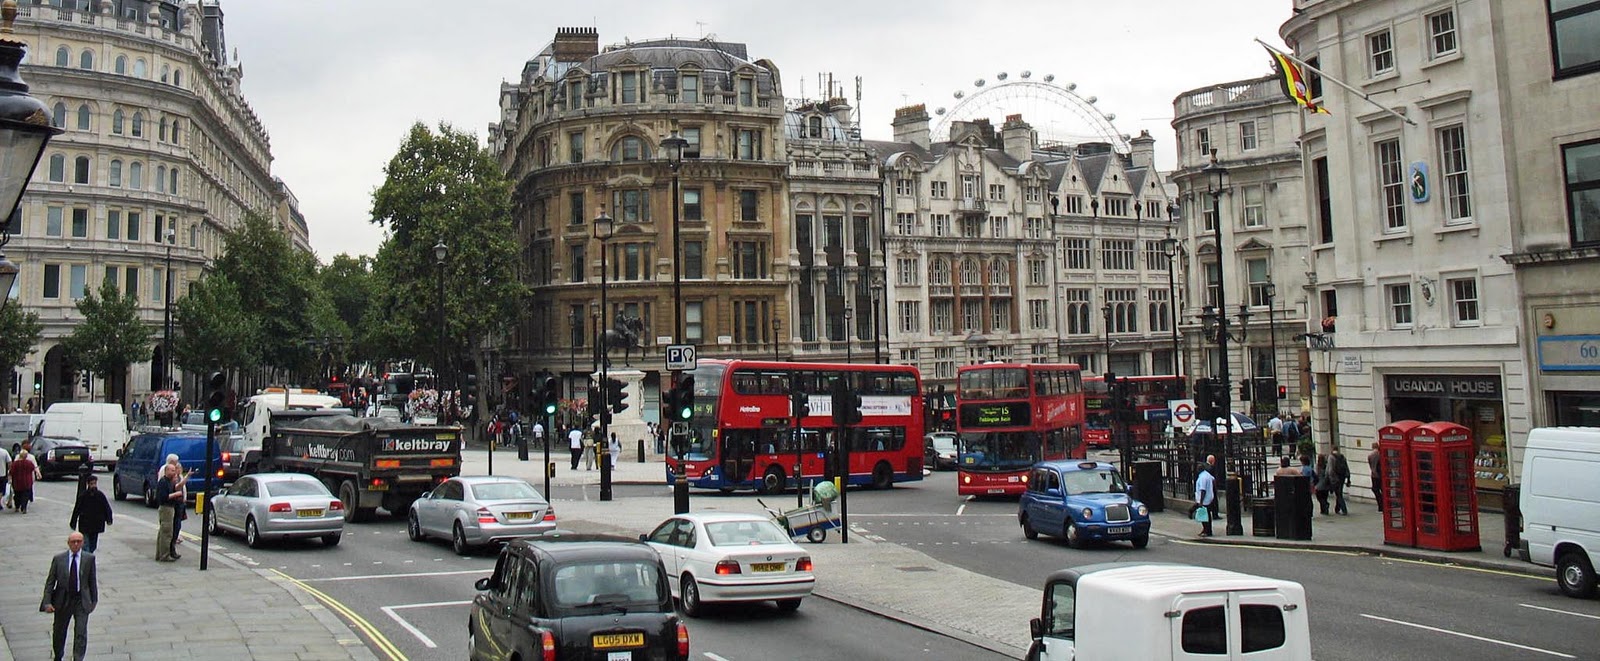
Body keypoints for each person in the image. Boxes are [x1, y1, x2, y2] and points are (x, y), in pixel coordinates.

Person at [41, 532, 99, 661]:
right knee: (59, 632)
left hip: (81, 600)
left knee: (81, 632)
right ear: (68, 543)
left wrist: (94, 600)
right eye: (73, 542)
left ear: (83, 543)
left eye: (79, 541)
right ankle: (58, 655)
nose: (76, 544)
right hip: (63, 599)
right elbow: (50, 582)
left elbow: (92, 580)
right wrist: (47, 602)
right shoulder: (59, 559)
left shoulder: (89, 559)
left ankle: (78, 657)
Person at [69, 475, 113, 553]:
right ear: (88, 484)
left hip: (96, 524)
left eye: (95, 483)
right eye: (92, 484)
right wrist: (73, 522)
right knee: (86, 545)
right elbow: (77, 509)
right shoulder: (83, 496)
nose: (93, 486)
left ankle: (89, 558)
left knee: (93, 545)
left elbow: (106, 507)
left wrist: (109, 519)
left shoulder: (100, 495)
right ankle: (88, 560)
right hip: (85, 524)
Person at [154, 465, 182, 562]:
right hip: (166, 508)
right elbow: (163, 497)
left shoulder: (170, 482)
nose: (174, 472)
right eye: (172, 471)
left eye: (175, 470)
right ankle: (164, 555)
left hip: (170, 508)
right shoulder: (163, 482)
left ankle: (160, 554)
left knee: (163, 531)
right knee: (166, 532)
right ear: (167, 471)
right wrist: (176, 494)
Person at [1193, 454, 1217, 537]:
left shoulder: (1203, 477)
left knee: (1204, 516)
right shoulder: (1207, 474)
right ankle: (1206, 530)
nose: (1196, 470)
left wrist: (1201, 502)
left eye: (1197, 468)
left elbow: (1203, 490)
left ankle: (1207, 531)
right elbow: (1214, 480)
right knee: (1206, 515)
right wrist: (1212, 490)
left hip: (1204, 499)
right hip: (1209, 498)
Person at [10, 449, 41, 514]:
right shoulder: (29, 463)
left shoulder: (15, 464)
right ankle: (24, 507)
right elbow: (33, 468)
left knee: (17, 495)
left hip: (17, 482)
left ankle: (17, 506)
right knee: (25, 495)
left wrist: (10, 478)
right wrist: (38, 474)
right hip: (27, 482)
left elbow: (11, 472)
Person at [1330, 446, 1351, 515]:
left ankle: (1344, 509)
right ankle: (1337, 508)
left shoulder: (1331, 457)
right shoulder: (1342, 457)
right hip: (1342, 477)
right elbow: (1346, 467)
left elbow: (1330, 470)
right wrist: (1348, 478)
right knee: (1339, 492)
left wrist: (1331, 478)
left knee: (1338, 494)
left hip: (1336, 478)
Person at [0, 442, 11, 509]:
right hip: (2, 473)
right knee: (1, 490)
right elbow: (9, 462)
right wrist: (9, 471)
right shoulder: (4, 452)